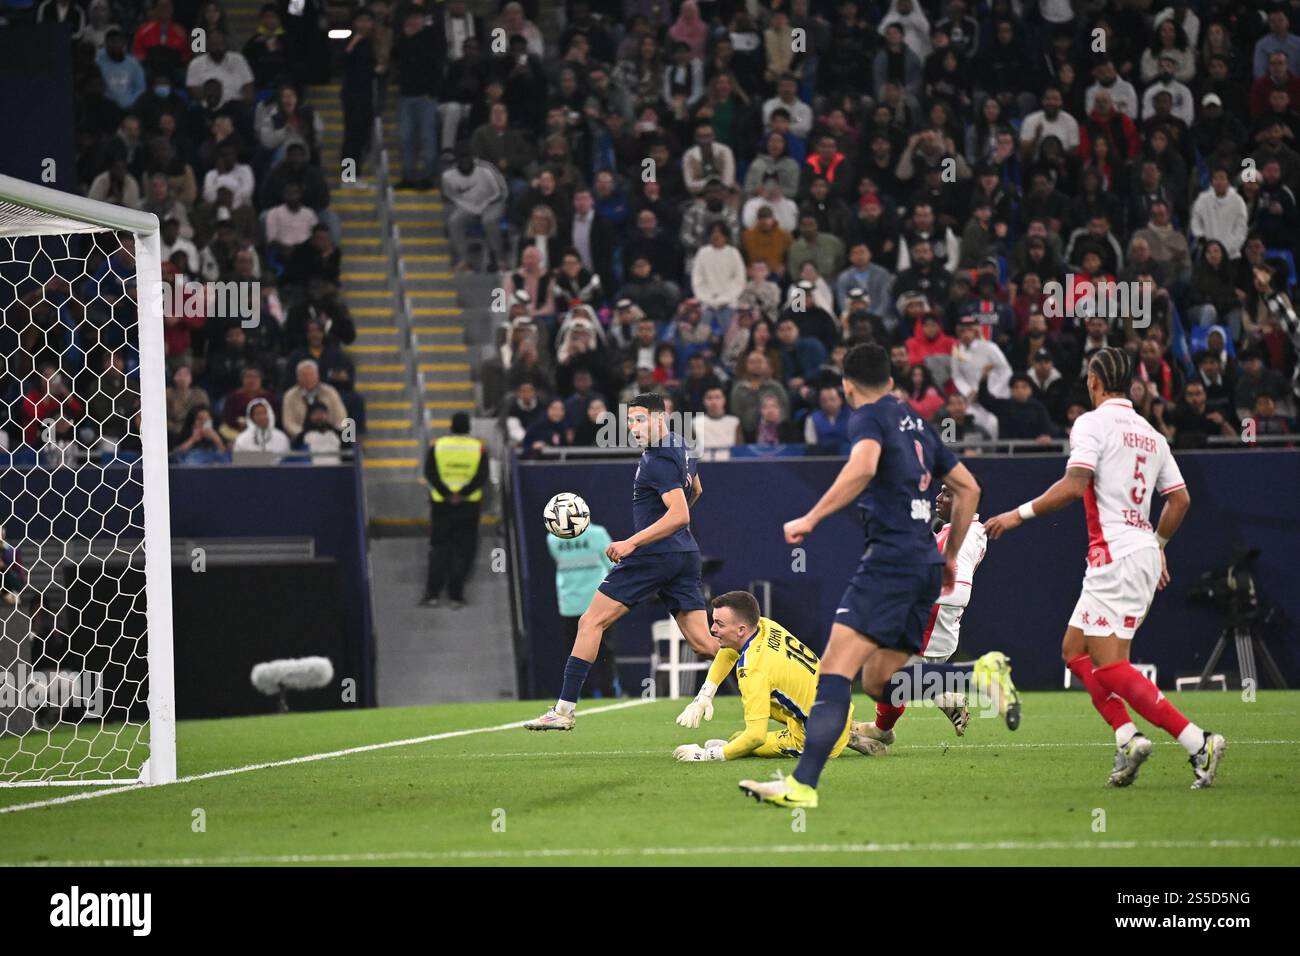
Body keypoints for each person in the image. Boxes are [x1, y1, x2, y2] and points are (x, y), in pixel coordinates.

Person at [740, 344, 982, 808]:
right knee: (877, 682)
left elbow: (863, 466)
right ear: (891, 380)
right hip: (924, 568)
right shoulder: (919, 423)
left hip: (889, 563)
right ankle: (971, 677)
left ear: (847, 387)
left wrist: (812, 517)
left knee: (833, 672)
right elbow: (969, 487)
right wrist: (950, 554)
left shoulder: (868, 416)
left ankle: (802, 787)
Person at [985, 348, 1225, 789]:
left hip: (1114, 556)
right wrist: (1156, 546)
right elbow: (1180, 499)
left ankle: (1198, 741)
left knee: (1109, 665)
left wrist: (1015, 516)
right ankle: (1127, 736)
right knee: (1074, 650)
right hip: (1135, 553)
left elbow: (1074, 486)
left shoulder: (1091, 424)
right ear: (1131, 384)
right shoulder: (1152, 435)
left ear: (1095, 382)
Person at [525, 393, 720, 730]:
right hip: (684, 554)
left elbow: (679, 513)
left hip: (653, 556)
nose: (633, 427)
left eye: (641, 419)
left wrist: (633, 541)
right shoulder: (680, 443)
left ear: (660, 418)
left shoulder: (655, 461)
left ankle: (563, 711)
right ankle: (773, 672)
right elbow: (697, 491)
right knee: (705, 645)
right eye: (629, 421)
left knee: (590, 623)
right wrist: (672, 532)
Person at [853, 477, 1021, 756]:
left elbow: (955, 586)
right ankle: (936, 697)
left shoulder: (965, 533)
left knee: (887, 677)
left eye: (946, 494)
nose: (938, 498)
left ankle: (955, 686)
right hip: (936, 618)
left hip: (931, 618)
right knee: (891, 676)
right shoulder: (959, 530)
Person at [671, 591, 857, 763]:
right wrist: (705, 695)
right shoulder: (763, 625)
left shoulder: (753, 670)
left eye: (719, 624)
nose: (712, 629)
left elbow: (755, 737)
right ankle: (854, 732)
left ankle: (843, 736)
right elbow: (728, 651)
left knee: (739, 739)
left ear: (741, 630)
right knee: (776, 693)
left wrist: (706, 755)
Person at [421, 413, 487, 609]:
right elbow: (481, 476)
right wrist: (462, 494)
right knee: (463, 551)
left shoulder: (437, 445)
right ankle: (455, 596)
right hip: (468, 507)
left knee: (439, 548)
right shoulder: (478, 447)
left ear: (451, 426)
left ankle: (432, 594)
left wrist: (447, 493)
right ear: (468, 427)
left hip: (442, 505)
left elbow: (429, 472)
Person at [548, 521, 619, 698]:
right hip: (598, 603)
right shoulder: (598, 533)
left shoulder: (553, 539)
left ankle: (581, 694)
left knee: (577, 651)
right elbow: (613, 565)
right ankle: (609, 691)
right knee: (605, 650)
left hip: (569, 604)